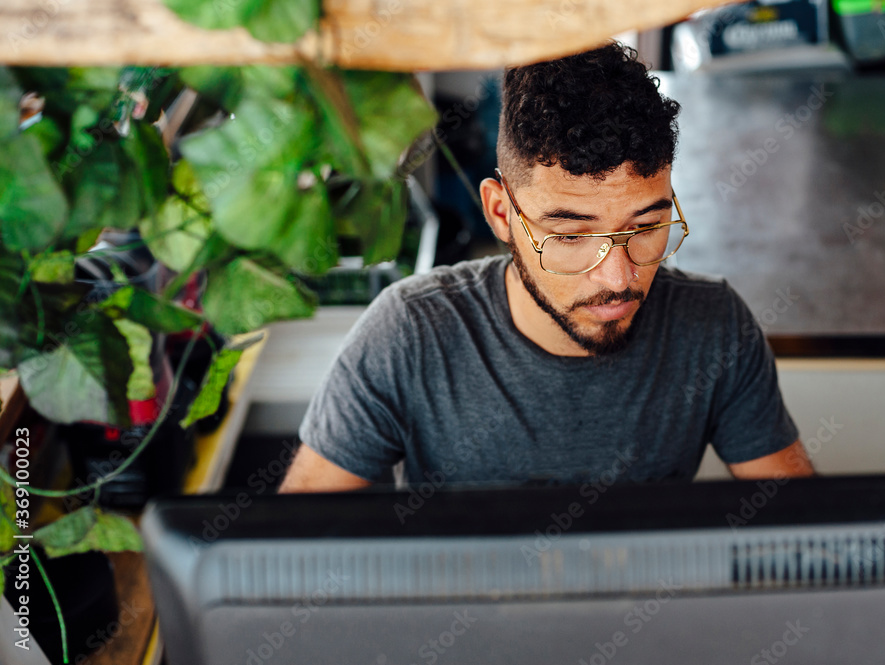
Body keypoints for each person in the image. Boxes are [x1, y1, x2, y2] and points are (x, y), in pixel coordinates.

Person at [280, 42, 814, 493]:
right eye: (570, 236)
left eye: (645, 227)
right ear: (500, 213)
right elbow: (289, 557)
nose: (618, 278)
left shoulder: (714, 330)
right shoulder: (408, 336)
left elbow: (809, 540)